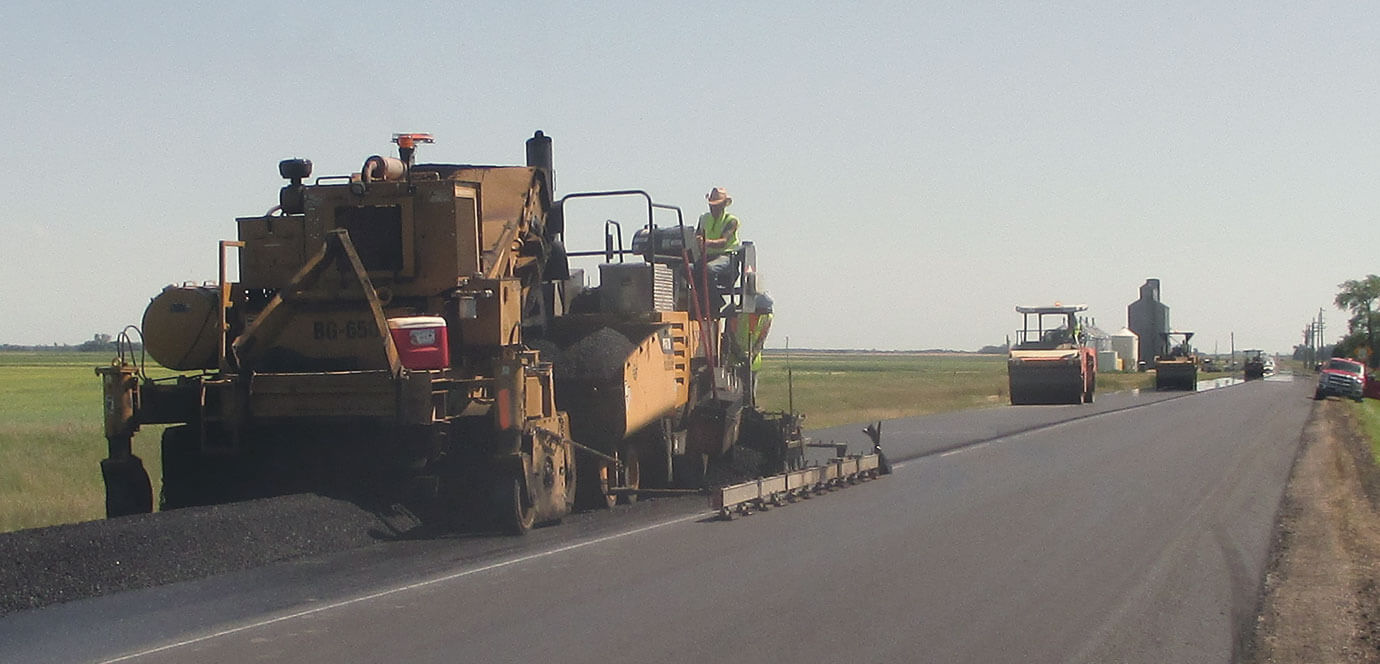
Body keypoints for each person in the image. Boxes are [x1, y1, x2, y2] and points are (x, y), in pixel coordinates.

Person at [697, 187, 741, 289]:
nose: (713, 207)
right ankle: (698, 298)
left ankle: (714, 303)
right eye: (711, 205)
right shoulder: (704, 218)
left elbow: (723, 242)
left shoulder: (731, 221)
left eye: (716, 205)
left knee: (709, 269)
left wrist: (705, 242)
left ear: (724, 205)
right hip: (706, 257)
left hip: (727, 258)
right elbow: (696, 235)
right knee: (684, 268)